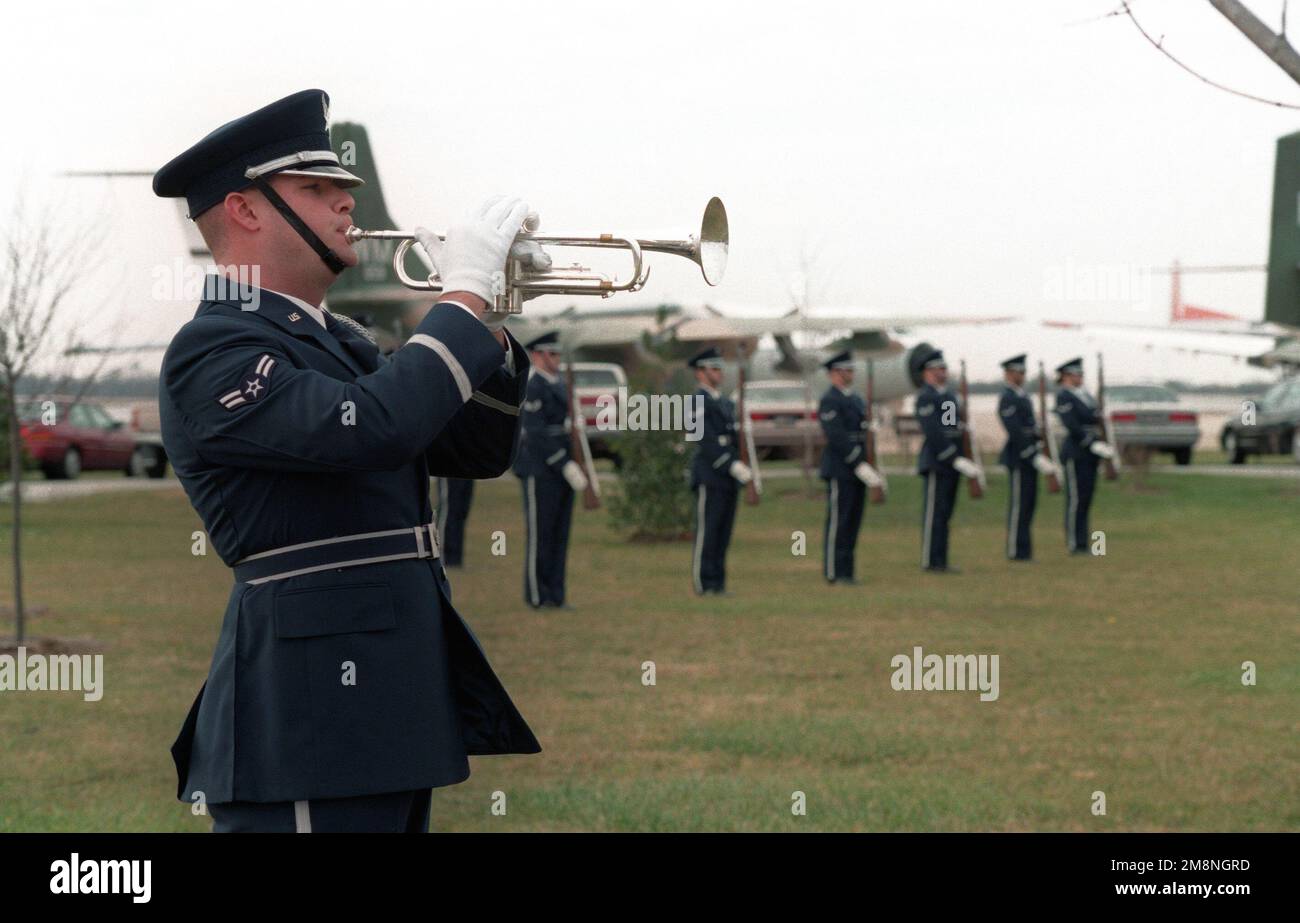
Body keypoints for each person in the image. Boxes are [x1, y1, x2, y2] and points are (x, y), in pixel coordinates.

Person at [153, 89, 540, 832]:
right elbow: (373, 429)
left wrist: (486, 322)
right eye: (319, 188)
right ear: (246, 210)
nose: (345, 205)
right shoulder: (213, 350)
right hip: (310, 714)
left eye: (344, 189)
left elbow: (473, 448)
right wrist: (458, 301)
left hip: (390, 698)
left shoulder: (340, 340)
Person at [513, 332, 587, 609]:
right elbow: (535, 432)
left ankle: (556, 594)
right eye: (551, 354)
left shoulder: (559, 385)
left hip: (562, 468)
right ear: (537, 355)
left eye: (557, 354)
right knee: (541, 535)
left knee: (559, 535)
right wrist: (562, 461)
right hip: (539, 468)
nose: (556, 359)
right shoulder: (533, 386)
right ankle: (537, 594)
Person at [687, 347, 752, 595]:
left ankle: (718, 583)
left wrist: (741, 463)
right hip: (710, 474)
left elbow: (733, 438)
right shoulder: (695, 401)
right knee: (708, 532)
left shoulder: (724, 402)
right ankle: (704, 583)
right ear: (700, 373)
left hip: (728, 476)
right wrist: (730, 463)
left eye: (719, 368)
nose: (719, 373)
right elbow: (704, 439)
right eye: (714, 369)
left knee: (723, 534)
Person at [913, 347, 982, 573]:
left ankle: (941, 559)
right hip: (936, 461)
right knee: (934, 514)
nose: (943, 372)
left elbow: (951, 427)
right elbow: (933, 432)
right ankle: (929, 560)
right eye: (938, 368)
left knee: (945, 514)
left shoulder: (948, 396)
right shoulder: (926, 397)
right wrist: (952, 457)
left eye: (944, 368)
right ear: (928, 372)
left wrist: (963, 436)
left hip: (953, 462)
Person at [817, 351, 882, 584]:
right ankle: (835, 570)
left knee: (852, 521)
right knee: (840, 521)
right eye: (847, 370)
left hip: (858, 466)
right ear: (835, 373)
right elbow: (835, 435)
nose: (851, 374)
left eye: (852, 370)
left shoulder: (855, 398)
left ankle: (847, 570)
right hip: (841, 466)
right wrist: (857, 461)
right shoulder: (830, 399)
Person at [996, 354, 1057, 561]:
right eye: (1017, 372)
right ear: (1008, 373)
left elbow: (1028, 426)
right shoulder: (1008, 397)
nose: (1021, 375)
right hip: (1019, 455)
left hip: (1031, 454)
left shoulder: (1022, 396)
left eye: (1023, 372)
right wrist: (1031, 453)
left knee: (1029, 504)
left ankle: (1025, 550)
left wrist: (1039, 435)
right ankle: (1016, 550)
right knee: (1019, 505)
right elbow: (1014, 429)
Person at [1053, 357, 1115, 555]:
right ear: (1066, 376)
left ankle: (1084, 542)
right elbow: (1072, 425)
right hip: (1076, 451)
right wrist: (1092, 443)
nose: (1080, 377)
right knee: (1076, 500)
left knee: (1086, 499)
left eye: (1081, 374)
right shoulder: (1064, 396)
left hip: (1090, 452)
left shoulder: (1085, 395)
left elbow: (1094, 418)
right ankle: (1075, 543)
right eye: (1076, 374)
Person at [435, 477, 474, 568]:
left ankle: (455, 559)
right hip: (449, 470)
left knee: (461, 511)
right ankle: (442, 556)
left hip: (467, 469)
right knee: (448, 510)